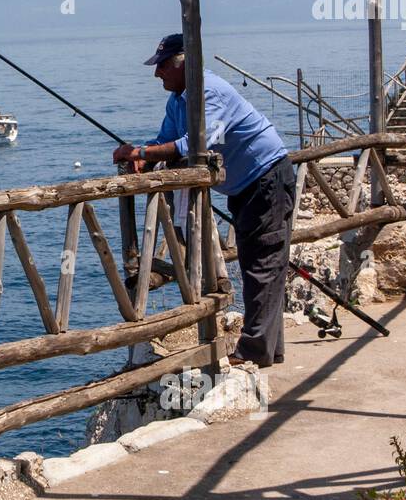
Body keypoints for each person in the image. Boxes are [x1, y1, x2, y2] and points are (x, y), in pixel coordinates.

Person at [113, 33, 295, 367]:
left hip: (267, 177)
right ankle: (270, 349)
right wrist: (144, 157)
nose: (158, 75)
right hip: (245, 187)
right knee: (260, 263)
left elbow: (191, 146)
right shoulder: (179, 99)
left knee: (263, 265)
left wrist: (141, 152)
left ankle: (254, 351)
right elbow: (165, 139)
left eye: (163, 66)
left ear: (184, 63)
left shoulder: (211, 91)